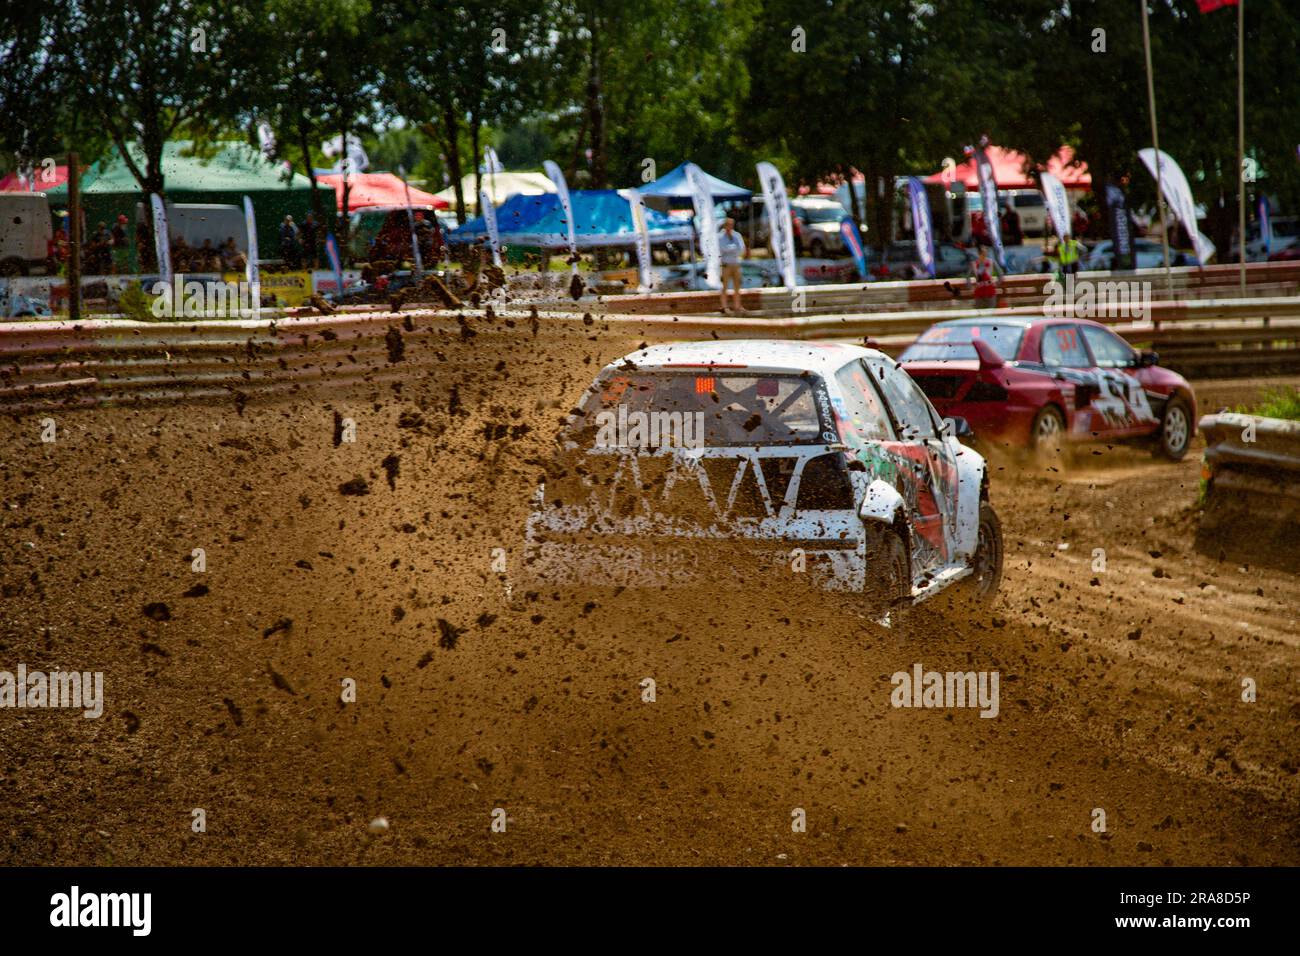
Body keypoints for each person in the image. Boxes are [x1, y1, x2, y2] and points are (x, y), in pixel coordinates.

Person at [717, 217, 746, 313]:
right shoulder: (720, 236)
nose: (730, 227)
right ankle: (724, 306)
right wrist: (733, 249)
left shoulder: (737, 235)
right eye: (728, 225)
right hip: (725, 264)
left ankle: (737, 306)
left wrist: (730, 249)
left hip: (736, 264)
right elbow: (722, 249)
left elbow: (741, 249)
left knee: (737, 287)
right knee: (724, 286)